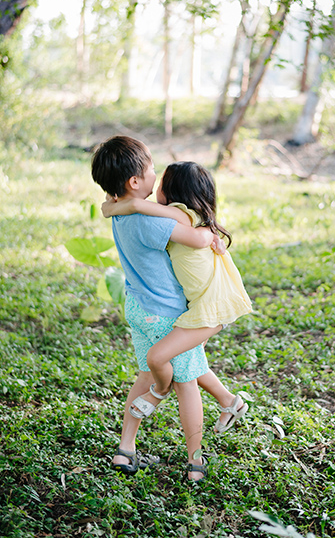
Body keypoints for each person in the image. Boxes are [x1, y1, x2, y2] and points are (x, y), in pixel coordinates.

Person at [91, 136, 246, 483]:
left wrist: (116, 203)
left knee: (148, 373)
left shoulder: (119, 211)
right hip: (169, 315)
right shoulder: (153, 221)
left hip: (138, 308)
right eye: (151, 172)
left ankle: (125, 449)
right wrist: (209, 234)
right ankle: (195, 461)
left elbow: (116, 205)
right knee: (186, 383)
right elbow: (197, 237)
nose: (155, 177)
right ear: (135, 182)